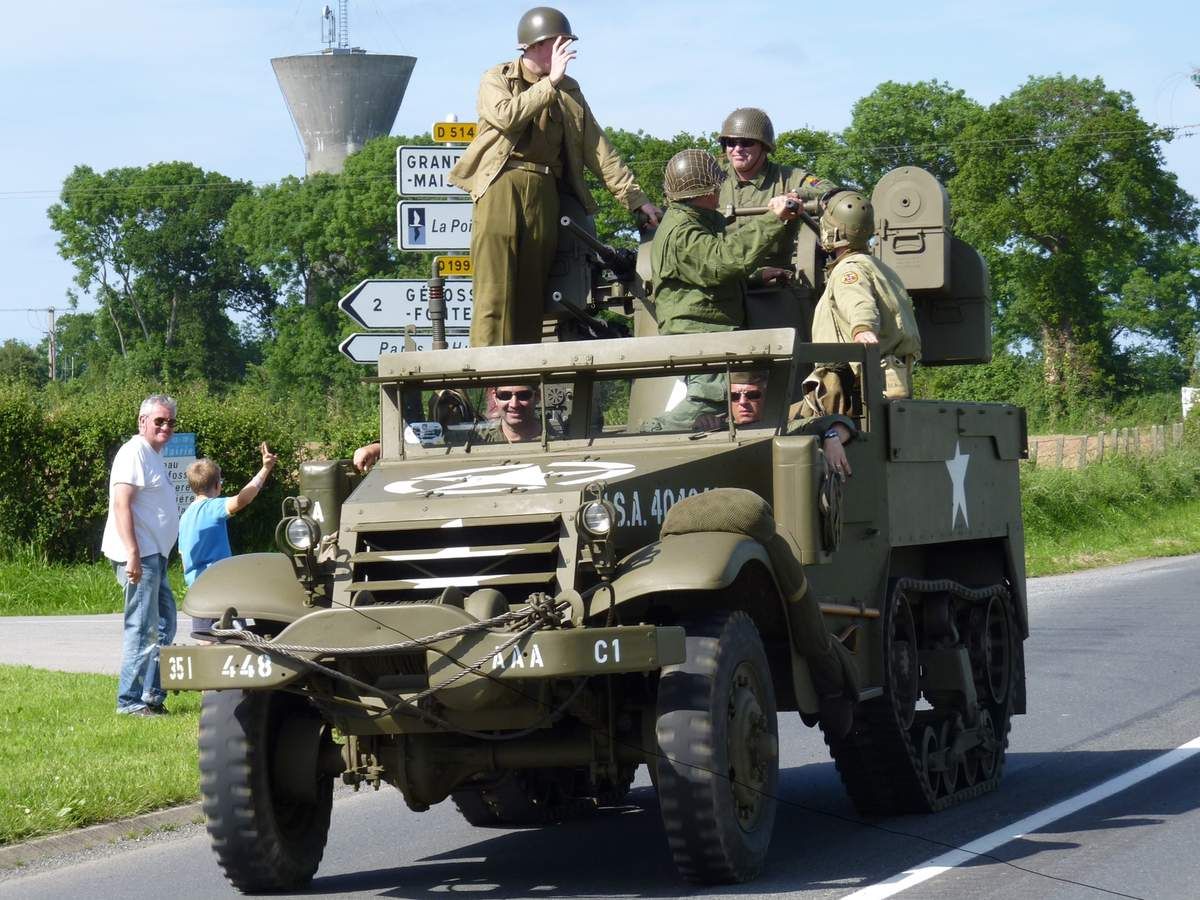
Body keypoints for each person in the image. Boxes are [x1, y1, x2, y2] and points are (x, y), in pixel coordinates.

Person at [448, 7, 662, 347]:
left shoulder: (570, 91)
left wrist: (637, 200)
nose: (566, 52)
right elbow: (506, 116)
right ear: (535, 45)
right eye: (559, 44)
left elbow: (599, 149)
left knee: (533, 298)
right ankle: (485, 386)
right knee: (494, 293)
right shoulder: (497, 77)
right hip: (502, 185)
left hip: (546, 193)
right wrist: (550, 83)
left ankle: (521, 389)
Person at [645, 148, 799, 427]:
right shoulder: (683, 231)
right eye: (717, 185)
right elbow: (722, 262)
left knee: (719, 407)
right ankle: (648, 435)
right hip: (701, 338)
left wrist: (756, 276)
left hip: (708, 335)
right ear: (707, 191)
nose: (720, 190)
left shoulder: (693, 221)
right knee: (712, 401)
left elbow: (703, 273)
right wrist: (773, 218)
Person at [717, 108, 840, 337]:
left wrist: (797, 195)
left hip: (774, 291)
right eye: (729, 142)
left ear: (764, 146)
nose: (736, 149)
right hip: (723, 286)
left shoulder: (787, 177)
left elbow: (831, 191)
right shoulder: (714, 180)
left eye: (745, 143)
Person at [804, 191, 922, 413]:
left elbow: (858, 301)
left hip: (848, 386)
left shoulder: (848, 270)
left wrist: (862, 328)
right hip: (882, 383)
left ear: (832, 230)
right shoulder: (880, 268)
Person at [101, 394, 180, 717]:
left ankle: (150, 694)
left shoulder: (151, 454)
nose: (165, 426)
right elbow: (122, 504)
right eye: (158, 420)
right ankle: (129, 702)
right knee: (142, 627)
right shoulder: (134, 452)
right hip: (141, 555)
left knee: (165, 623)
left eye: (170, 422)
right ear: (142, 421)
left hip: (153, 555)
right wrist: (133, 553)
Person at [179, 442, 278, 639]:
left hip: (197, 590)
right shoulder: (212, 508)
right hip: (220, 588)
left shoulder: (185, 516)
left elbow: (182, 556)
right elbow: (243, 499)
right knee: (236, 640)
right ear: (217, 485)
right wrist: (265, 469)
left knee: (205, 640)